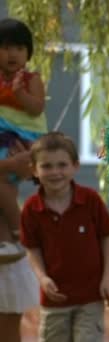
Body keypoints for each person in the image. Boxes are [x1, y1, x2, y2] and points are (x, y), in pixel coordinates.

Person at [19, 132, 109, 341]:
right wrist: (42, 278)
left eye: (62, 165)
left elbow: (107, 237)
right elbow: (32, 248)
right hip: (54, 300)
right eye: (46, 166)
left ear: (75, 166)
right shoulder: (31, 209)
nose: (55, 172)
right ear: (34, 170)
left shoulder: (90, 200)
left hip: (90, 297)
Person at [0, 18, 47, 264]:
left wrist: (20, 93)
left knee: (2, 185)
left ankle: (19, 231)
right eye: (6, 47)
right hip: (3, 139)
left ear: (28, 53)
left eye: (19, 48)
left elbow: (37, 109)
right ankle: (7, 243)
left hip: (22, 140)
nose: (12, 54)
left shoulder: (31, 79)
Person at [0, 144, 39, 342]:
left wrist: (28, 162)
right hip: (11, 240)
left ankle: (17, 232)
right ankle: (18, 231)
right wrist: (9, 164)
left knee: (9, 324)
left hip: (9, 252)